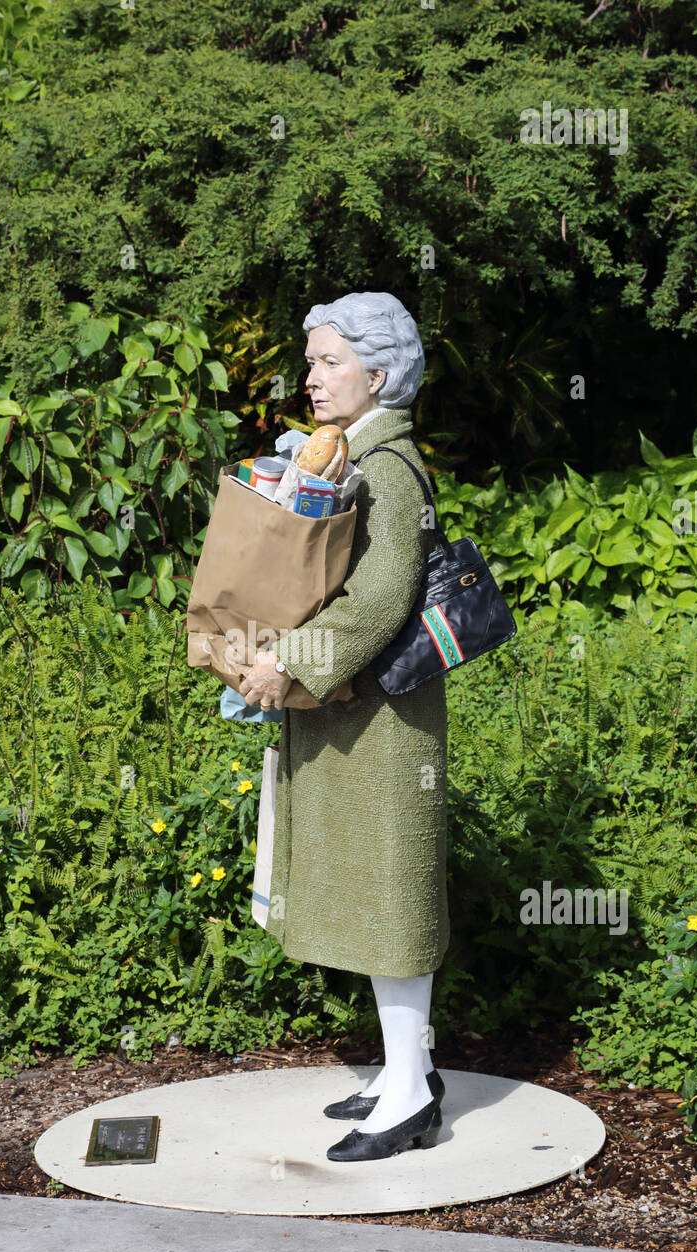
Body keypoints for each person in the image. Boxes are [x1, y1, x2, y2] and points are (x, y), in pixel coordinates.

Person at [238, 290, 450, 1163]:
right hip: (352, 713)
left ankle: (408, 1101)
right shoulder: (342, 459)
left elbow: (381, 596)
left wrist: (286, 662)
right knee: (371, 892)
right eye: (313, 360)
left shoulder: (387, 468)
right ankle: (409, 1068)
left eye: (330, 361)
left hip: (384, 726)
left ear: (380, 372)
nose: (313, 377)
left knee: (390, 896)